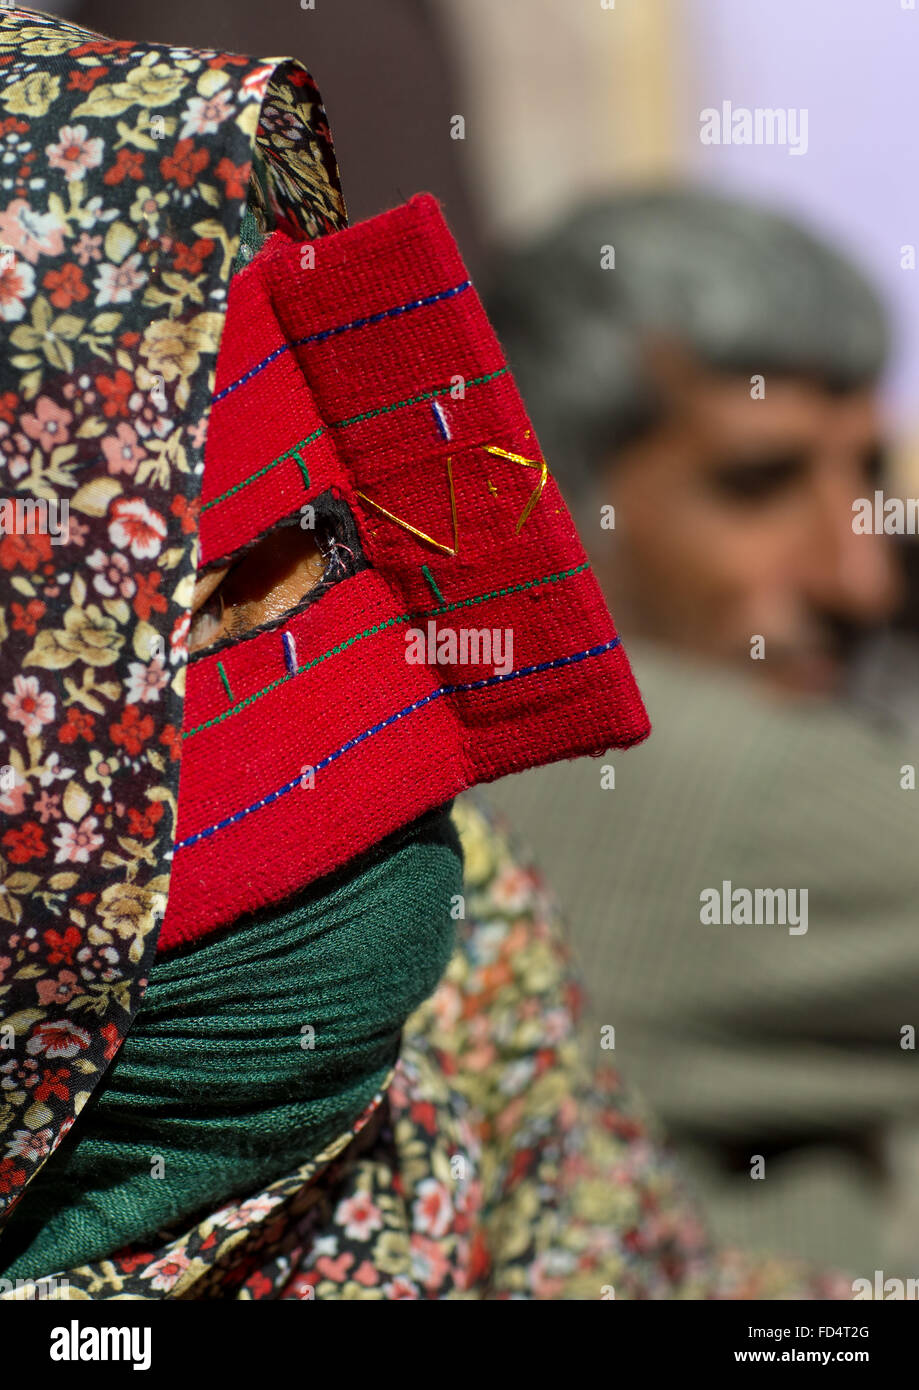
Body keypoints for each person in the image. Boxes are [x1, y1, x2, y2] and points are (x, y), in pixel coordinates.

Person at [0, 10, 853, 1302]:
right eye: (192, 598)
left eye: (310, 554)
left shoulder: (470, 950)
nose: (856, 571)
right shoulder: (761, 804)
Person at [484, 189, 919, 1275]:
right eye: (756, 483)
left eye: (864, 475)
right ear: (550, 497)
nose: (858, 578)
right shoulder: (681, 774)